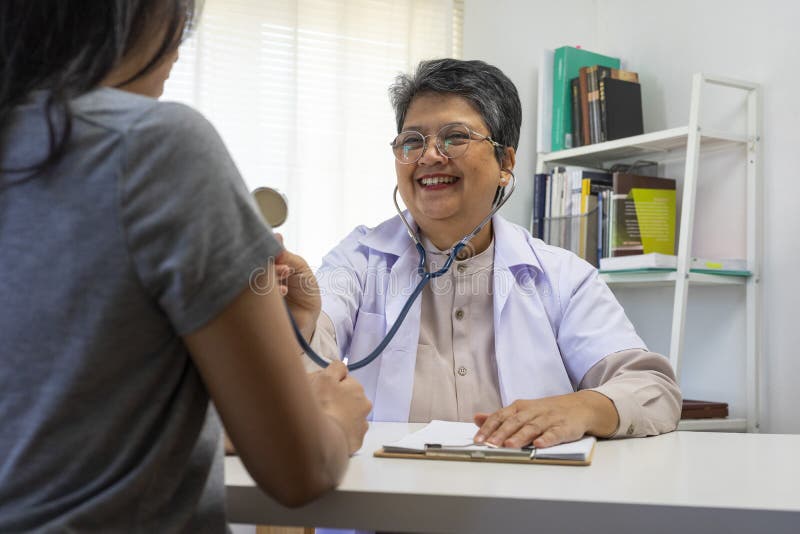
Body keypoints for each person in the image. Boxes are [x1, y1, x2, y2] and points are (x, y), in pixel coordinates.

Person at [0, 1, 371, 531]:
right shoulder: (156, 144)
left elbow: (74, 417)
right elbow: (301, 470)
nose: (183, 36)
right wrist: (336, 417)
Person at [307, 58, 681, 450]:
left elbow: (655, 390)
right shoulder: (359, 261)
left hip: (526, 486)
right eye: (412, 141)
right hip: (392, 484)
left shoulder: (562, 277)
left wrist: (583, 407)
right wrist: (297, 322)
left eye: (454, 137)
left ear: (505, 163)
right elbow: (307, 358)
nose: (429, 156)